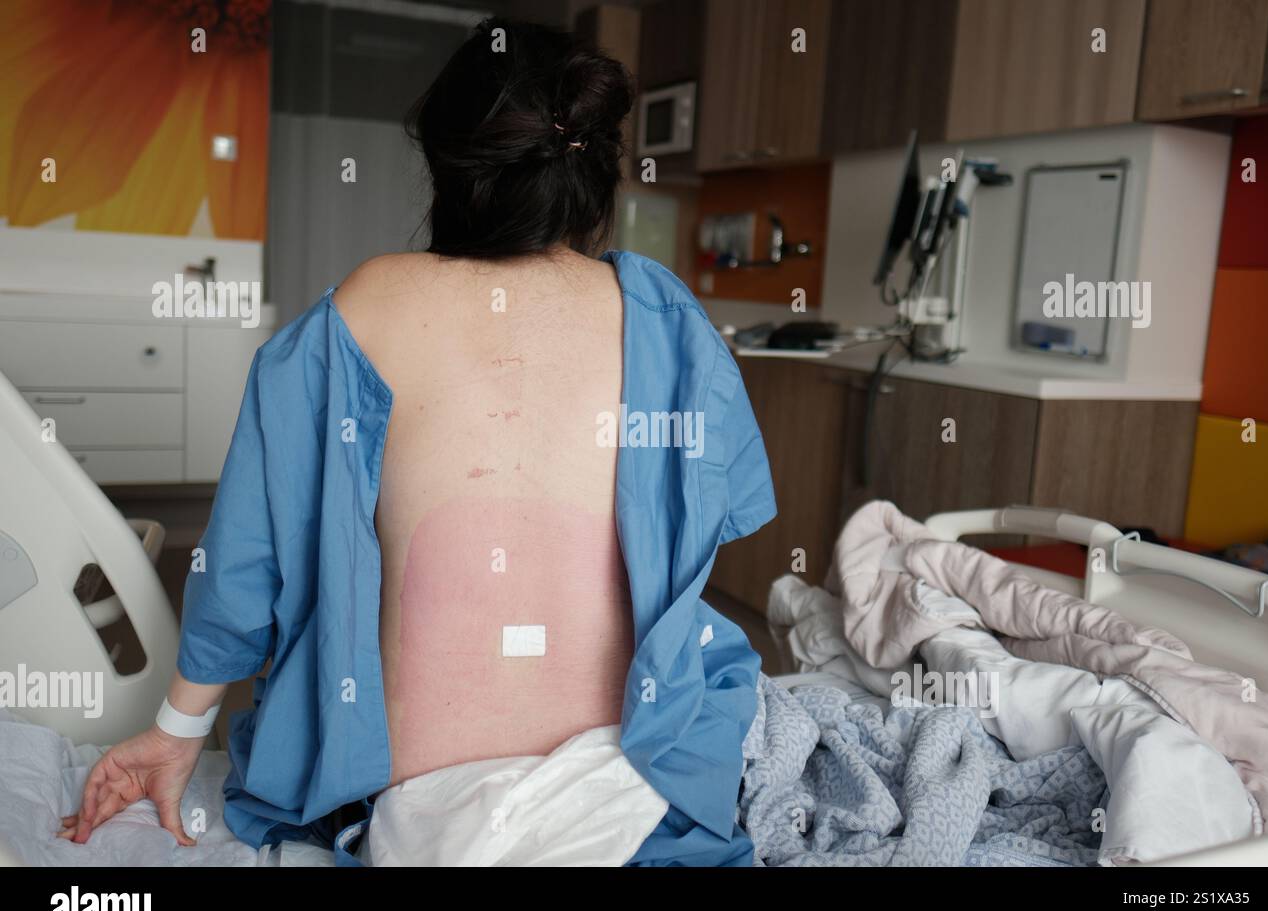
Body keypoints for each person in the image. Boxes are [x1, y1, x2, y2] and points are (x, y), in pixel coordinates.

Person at [61, 17, 775, 866]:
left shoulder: (365, 308)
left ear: (447, 165)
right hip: (636, 802)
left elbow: (244, 567)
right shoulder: (667, 321)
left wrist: (177, 732)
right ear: (591, 174)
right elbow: (702, 534)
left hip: (427, 822)